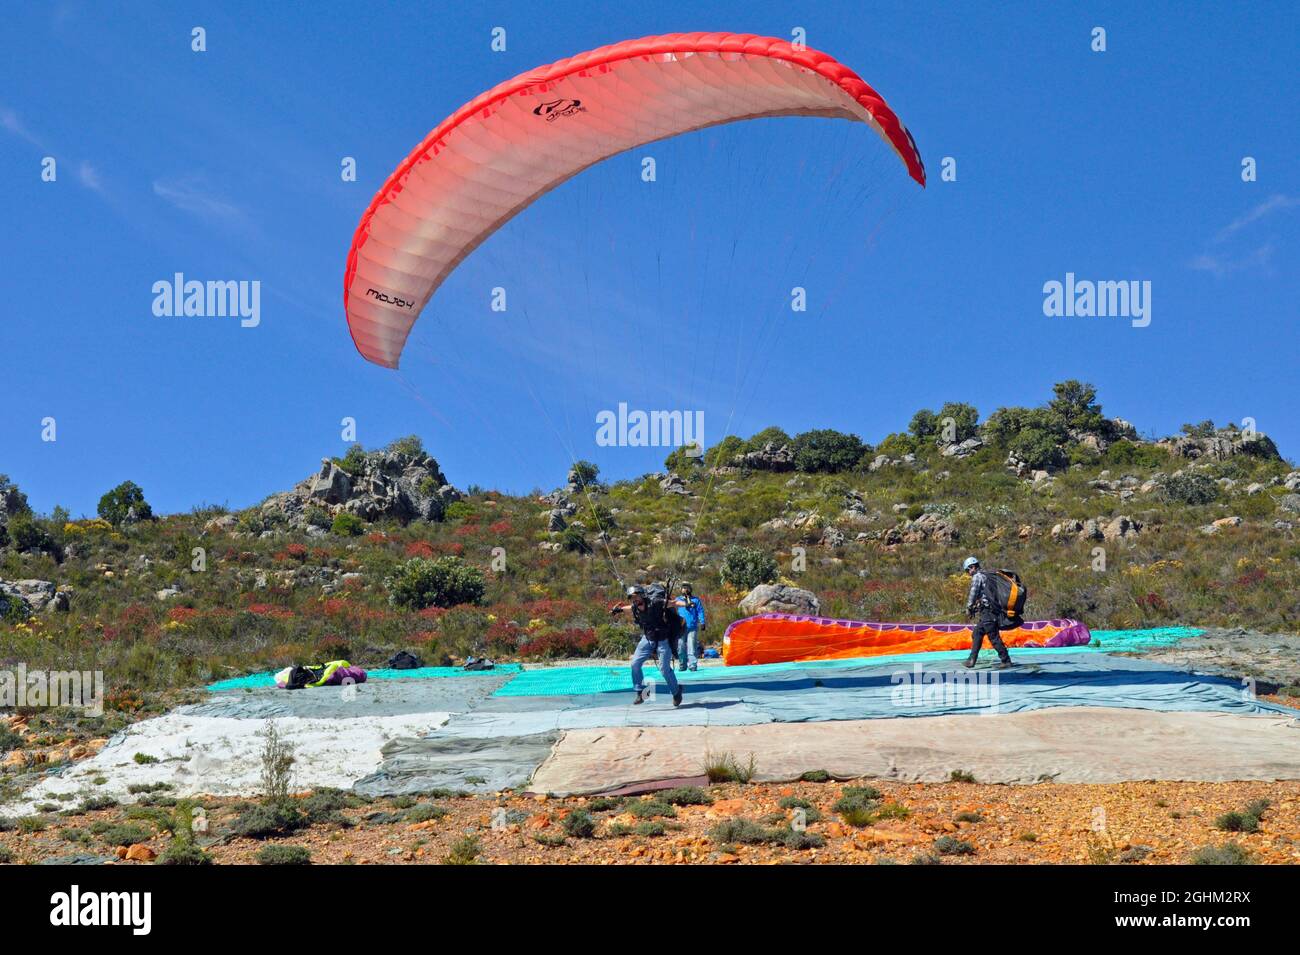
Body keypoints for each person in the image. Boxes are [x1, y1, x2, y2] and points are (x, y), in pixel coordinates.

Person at [611, 585, 683, 706]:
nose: (635, 600)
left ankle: (676, 692)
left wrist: (687, 604)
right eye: (632, 598)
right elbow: (629, 608)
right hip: (648, 639)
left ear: (642, 595)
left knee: (664, 669)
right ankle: (640, 692)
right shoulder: (635, 606)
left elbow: (673, 603)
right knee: (635, 664)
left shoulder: (655, 602)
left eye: (636, 597)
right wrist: (619, 609)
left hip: (663, 640)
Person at [962, 556, 1013, 669]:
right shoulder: (986, 575)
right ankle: (972, 659)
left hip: (988, 612)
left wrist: (969, 607)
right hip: (989, 611)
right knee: (977, 633)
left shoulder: (977, 577)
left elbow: (973, 593)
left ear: (973, 567)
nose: (968, 573)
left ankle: (1006, 660)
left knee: (993, 637)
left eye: (968, 570)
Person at [675, 583, 706, 671]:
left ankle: (692, 665)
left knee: (691, 645)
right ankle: (682, 664)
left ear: (690, 589)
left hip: (692, 627)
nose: (685, 590)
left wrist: (702, 622)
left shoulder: (695, 600)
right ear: (681, 590)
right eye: (683, 588)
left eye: (687, 588)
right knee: (680, 646)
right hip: (681, 627)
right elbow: (673, 611)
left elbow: (700, 611)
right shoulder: (678, 600)